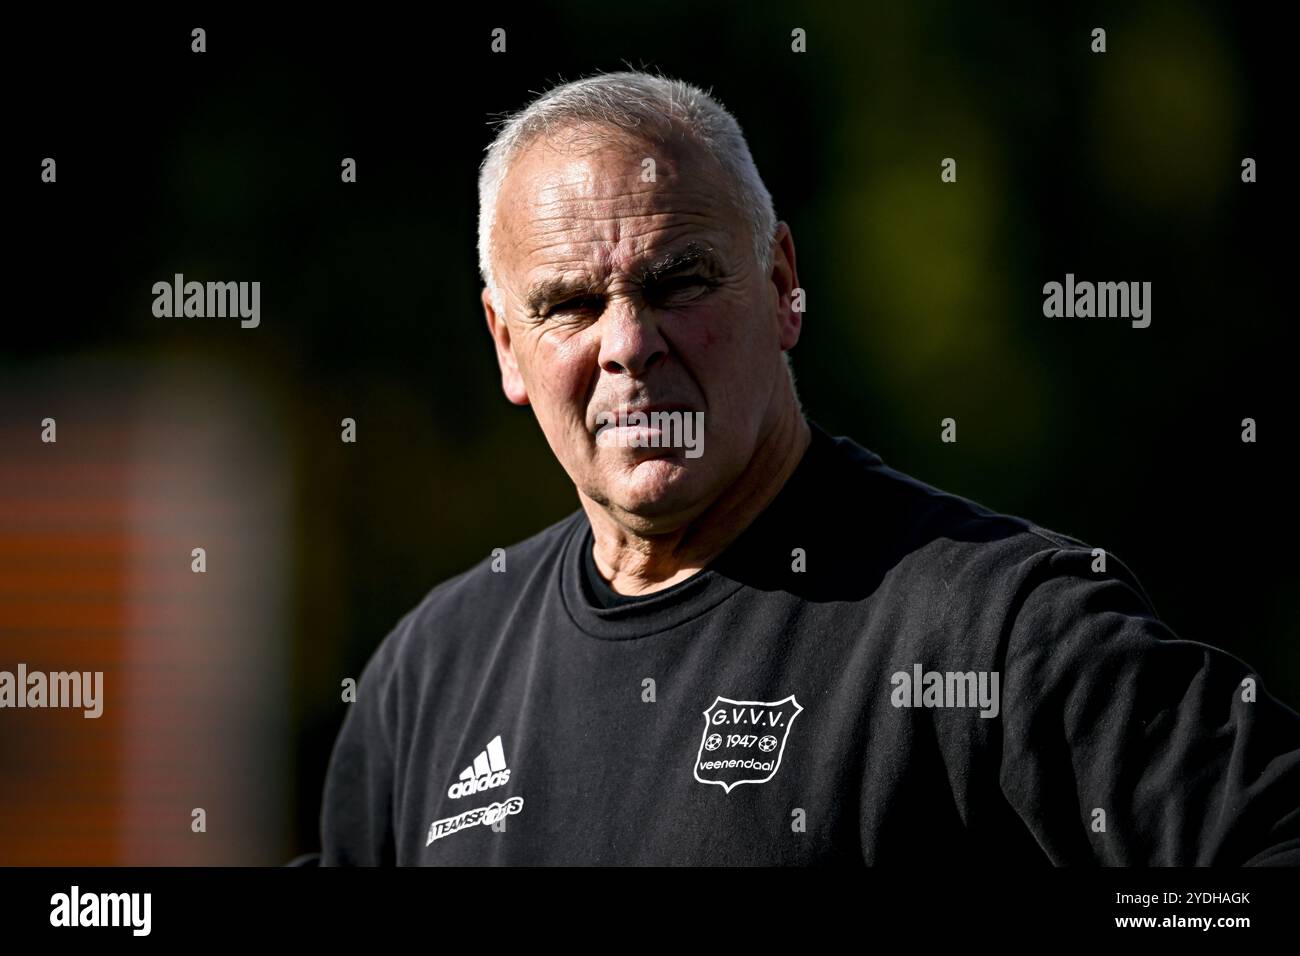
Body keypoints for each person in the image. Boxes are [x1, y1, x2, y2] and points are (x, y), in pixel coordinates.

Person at [319, 71, 1300, 865]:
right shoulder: (432, 670)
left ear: (783, 285)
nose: (628, 341)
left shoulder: (993, 628)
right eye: (570, 304)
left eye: (677, 281)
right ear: (504, 344)